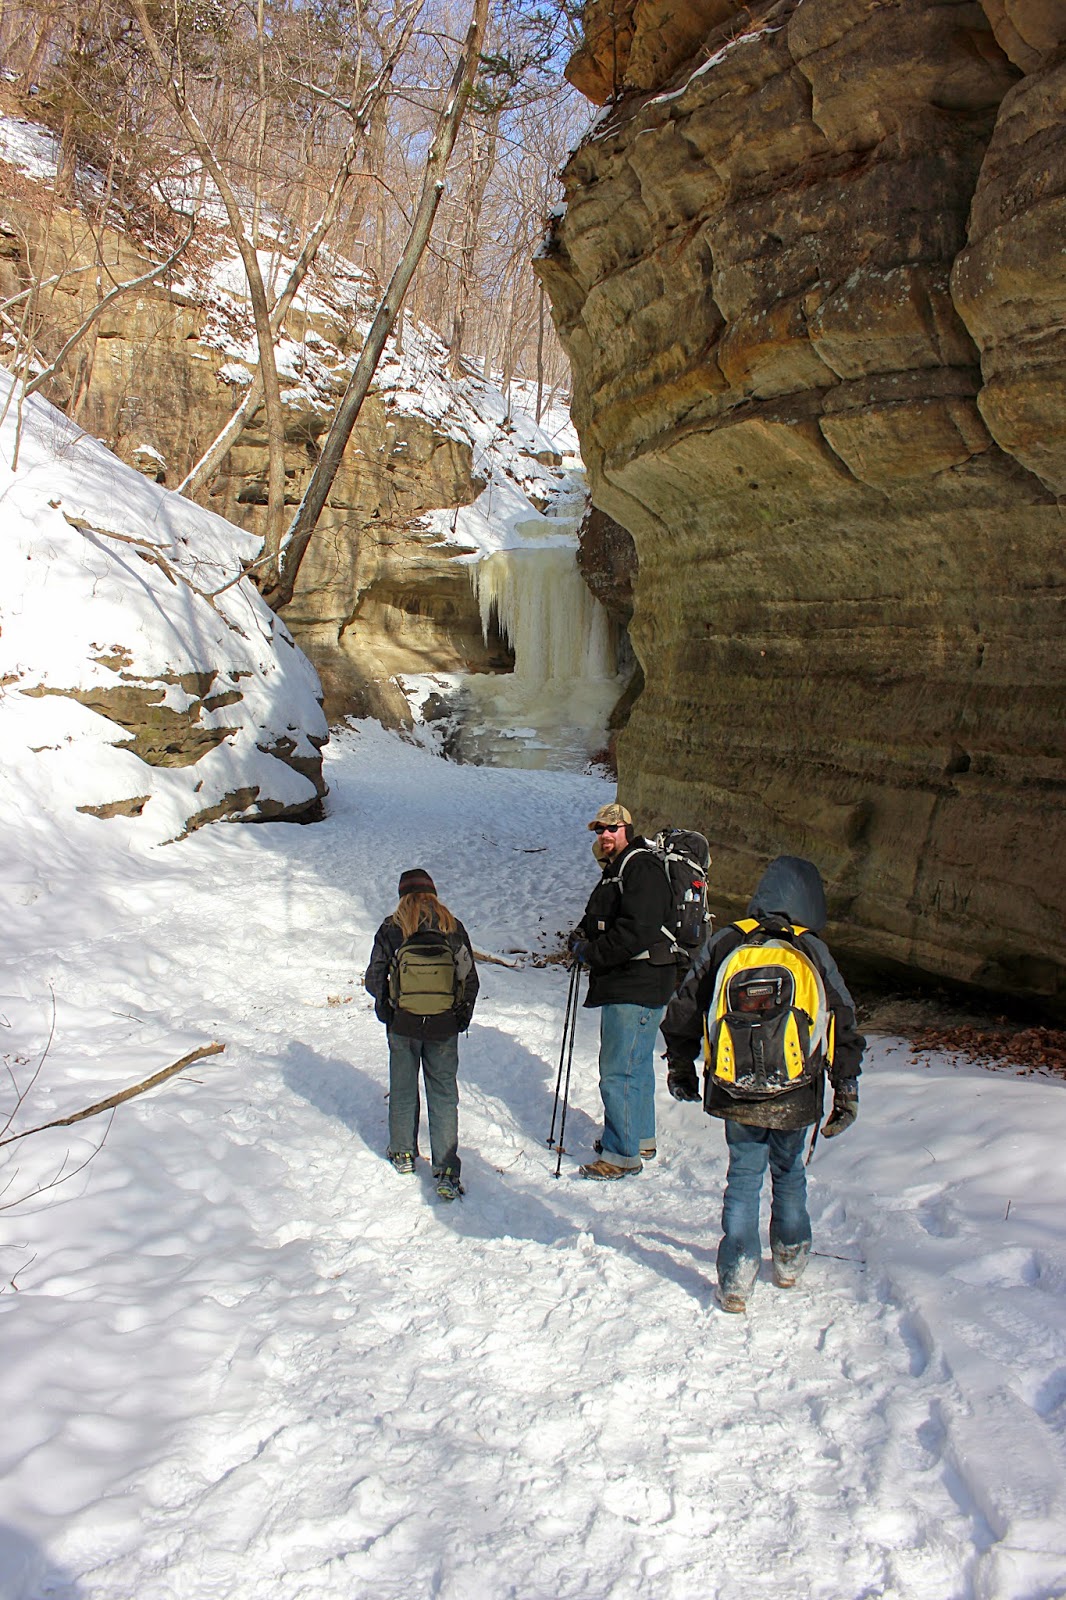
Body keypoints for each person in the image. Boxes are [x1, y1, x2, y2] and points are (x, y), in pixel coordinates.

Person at [661, 855, 865, 1310]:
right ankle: (790, 1261)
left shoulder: (728, 940)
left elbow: (685, 1007)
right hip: (797, 1087)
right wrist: (845, 1088)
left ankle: (735, 1279)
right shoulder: (810, 948)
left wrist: (681, 1065)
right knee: (789, 1173)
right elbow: (843, 1021)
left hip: (736, 1090)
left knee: (743, 1178)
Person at [568, 803, 679, 1179]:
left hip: (636, 981)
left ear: (626, 829)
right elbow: (605, 917)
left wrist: (593, 953)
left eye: (611, 829)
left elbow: (637, 929)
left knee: (618, 1070)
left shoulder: (640, 866)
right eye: (600, 830)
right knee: (636, 1063)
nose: (605, 835)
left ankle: (621, 1155)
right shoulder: (620, 869)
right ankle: (639, 1137)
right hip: (642, 980)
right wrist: (583, 934)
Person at [364, 867, 479, 1202]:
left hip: (403, 1022)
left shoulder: (392, 927)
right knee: (443, 1094)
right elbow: (469, 979)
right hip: (443, 1023)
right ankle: (445, 1170)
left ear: (402, 895)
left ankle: (402, 1153)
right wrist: (460, 1016)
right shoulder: (451, 927)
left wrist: (387, 1010)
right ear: (433, 893)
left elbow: (375, 978)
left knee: (402, 1088)